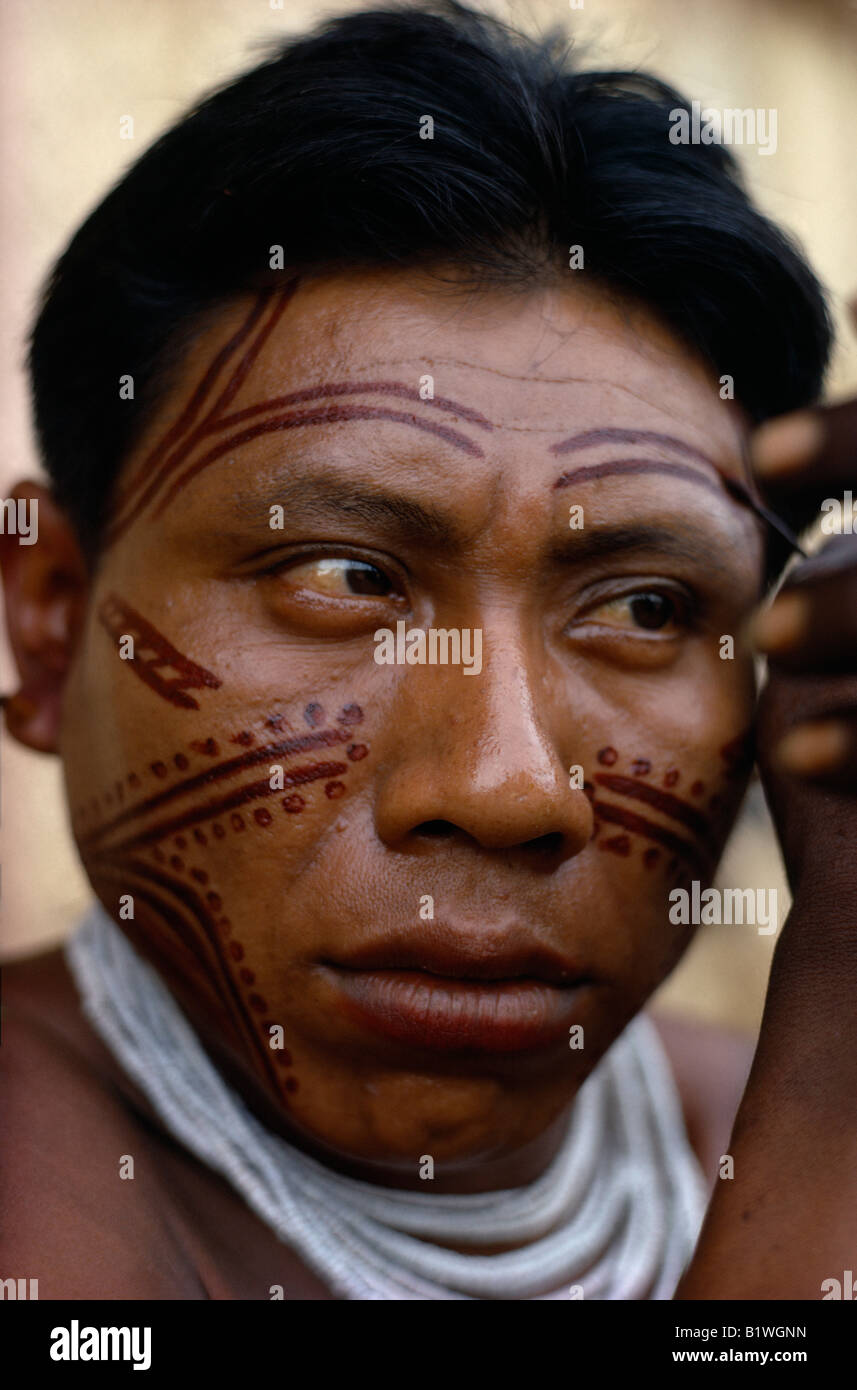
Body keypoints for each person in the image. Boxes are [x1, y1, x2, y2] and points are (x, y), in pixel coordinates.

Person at [1, 1, 854, 1300]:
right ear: (51, 620)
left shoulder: (740, 1106)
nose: (505, 787)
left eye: (642, 608)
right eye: (345, 575)